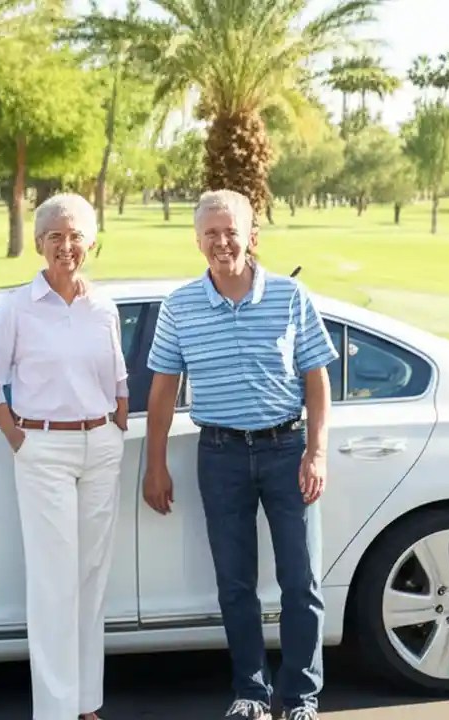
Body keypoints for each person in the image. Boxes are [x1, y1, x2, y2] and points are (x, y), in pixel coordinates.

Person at [142, 189, 338, 720]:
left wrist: (316, 453)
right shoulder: (179, 306)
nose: (222, 242)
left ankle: (300, 698)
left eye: (232, 231)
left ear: (252, 234)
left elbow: (316, 380)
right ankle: (251, 692)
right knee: (235, 583)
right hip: (220, 454)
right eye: (211, 233)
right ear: (197, 240)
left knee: (301, 582)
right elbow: (162, 390)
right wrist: (153, 463)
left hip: (286, 450)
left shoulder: (290, 296)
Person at [0, 193, 130, 720]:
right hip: (43, 449)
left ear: (90, 242)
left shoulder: (102, 306)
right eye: (55, 237)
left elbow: (118, 379)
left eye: (76, 236)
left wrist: (116, 427)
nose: (67, 246)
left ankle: (87, 704)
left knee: (91, 579)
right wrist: (20, 438)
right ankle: (56, 711)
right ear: (40, 244)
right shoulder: (18, 307)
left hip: (100, 447)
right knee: (53, 582)